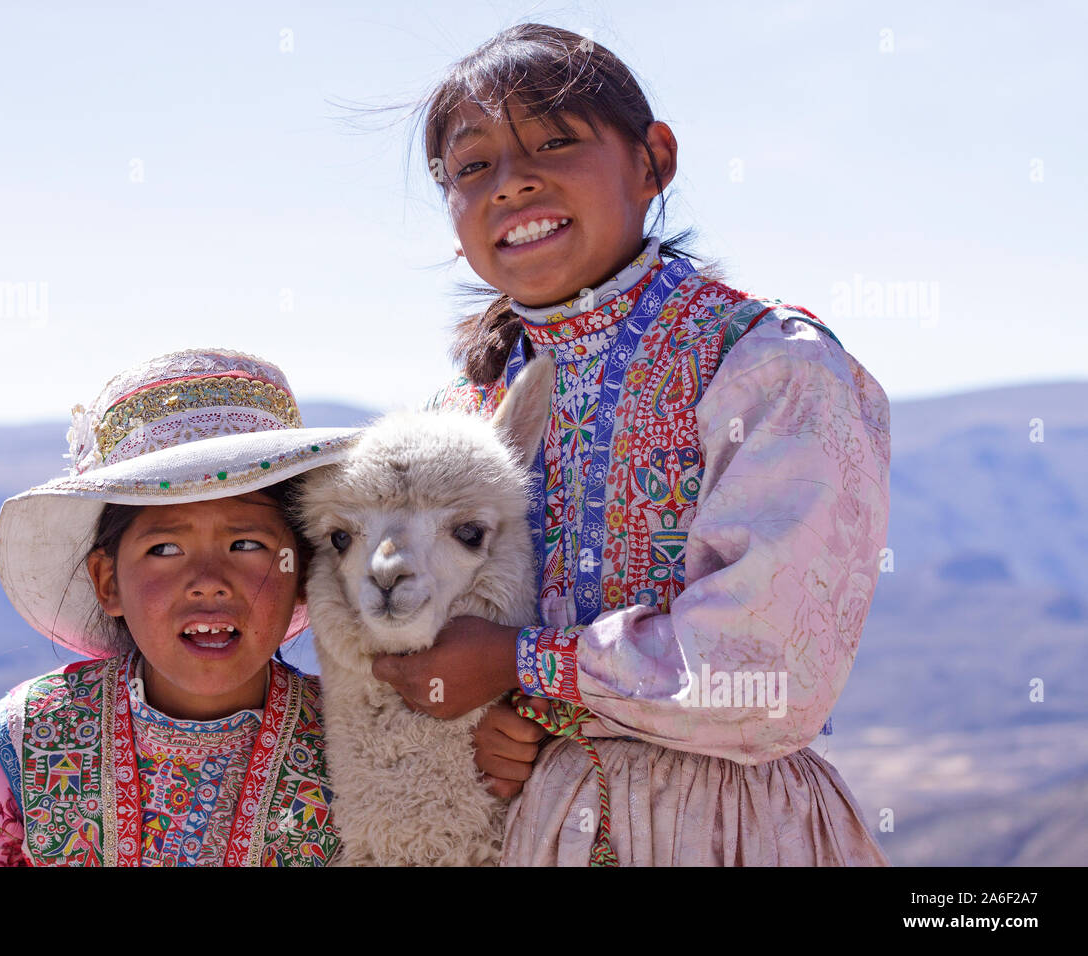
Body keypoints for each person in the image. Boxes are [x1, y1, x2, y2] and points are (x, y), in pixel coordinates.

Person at [372, 23, 892, 865]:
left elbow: (767, 676)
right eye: (473, 167)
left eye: (554, 141)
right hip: (530, 835)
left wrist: (520, 667)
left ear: (652, 161)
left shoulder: (772, 367)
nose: (512, 183)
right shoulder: (459, 417)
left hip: (733, 832)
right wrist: (475, 728)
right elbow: (406, 657)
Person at [0, 347, 525, 866]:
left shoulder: (355, 748)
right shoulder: (32, 740)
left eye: (246, 545)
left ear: (300, 572)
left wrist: (465, 745)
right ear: (108, 582)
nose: (208, 581)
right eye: (164, 548)